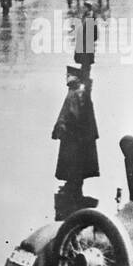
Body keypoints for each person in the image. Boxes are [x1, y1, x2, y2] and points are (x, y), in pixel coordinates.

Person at [52, 67, 98, 201]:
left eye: (69, 74)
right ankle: (74, 186)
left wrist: (62, 126)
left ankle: (73, 190)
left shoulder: (74, 93)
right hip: (79, 135)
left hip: (73, 136)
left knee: (73, 163)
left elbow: (73, 114)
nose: (66, 77)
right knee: (77, 164)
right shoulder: (79, 91)